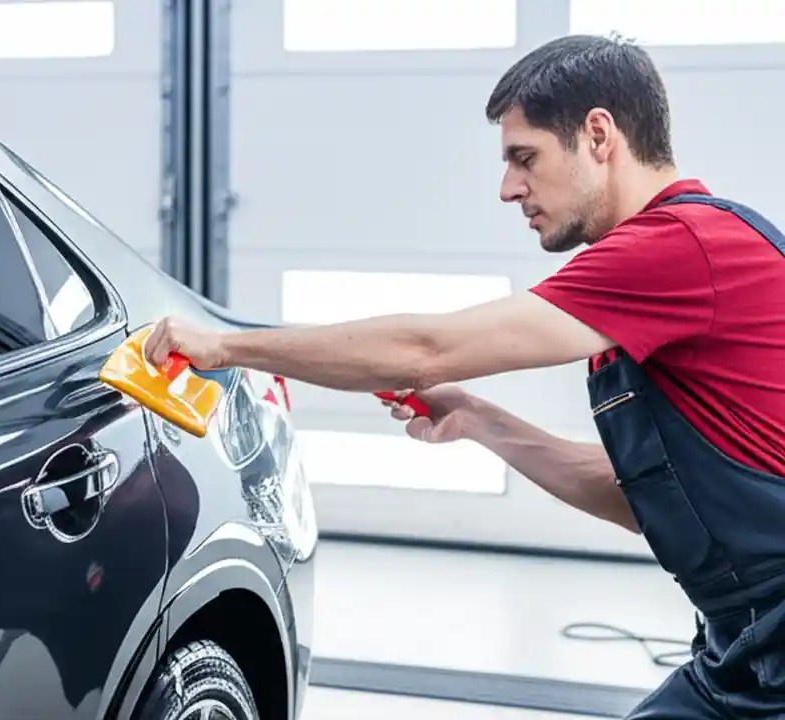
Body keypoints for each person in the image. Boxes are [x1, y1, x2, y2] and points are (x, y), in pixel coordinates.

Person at [143, 34, 785, 718]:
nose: (509, 188)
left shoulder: (677, 249)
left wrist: (227, 347)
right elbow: (647, 498)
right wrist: (481, 421)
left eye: (524, 157)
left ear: (599, 135)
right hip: (746, 651)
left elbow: (425, 348)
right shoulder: (660, 271)